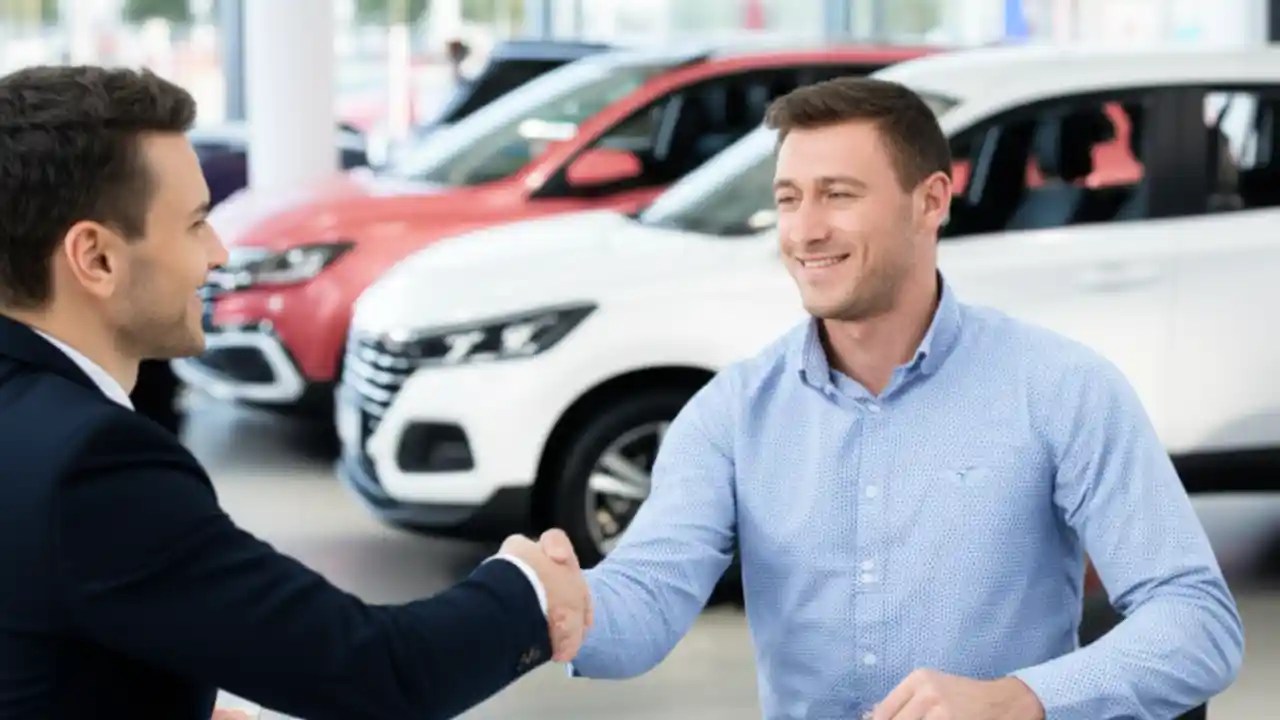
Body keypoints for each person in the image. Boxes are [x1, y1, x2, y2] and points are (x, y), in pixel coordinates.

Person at [562, 77, 1245, 719]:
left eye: (838, 194)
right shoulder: (732, 414)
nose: (805, 231)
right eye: (789, 198)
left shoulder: (1061, 388)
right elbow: (644, 607)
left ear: (932, 201)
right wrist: (560, 605)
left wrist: (1017, 699)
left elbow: (1195, 619)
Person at [0, 65, 590, 719]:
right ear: (97, 258)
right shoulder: (91, 467)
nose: (218, 253)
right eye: (196, 223)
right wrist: (529, 592)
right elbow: (375, 675)